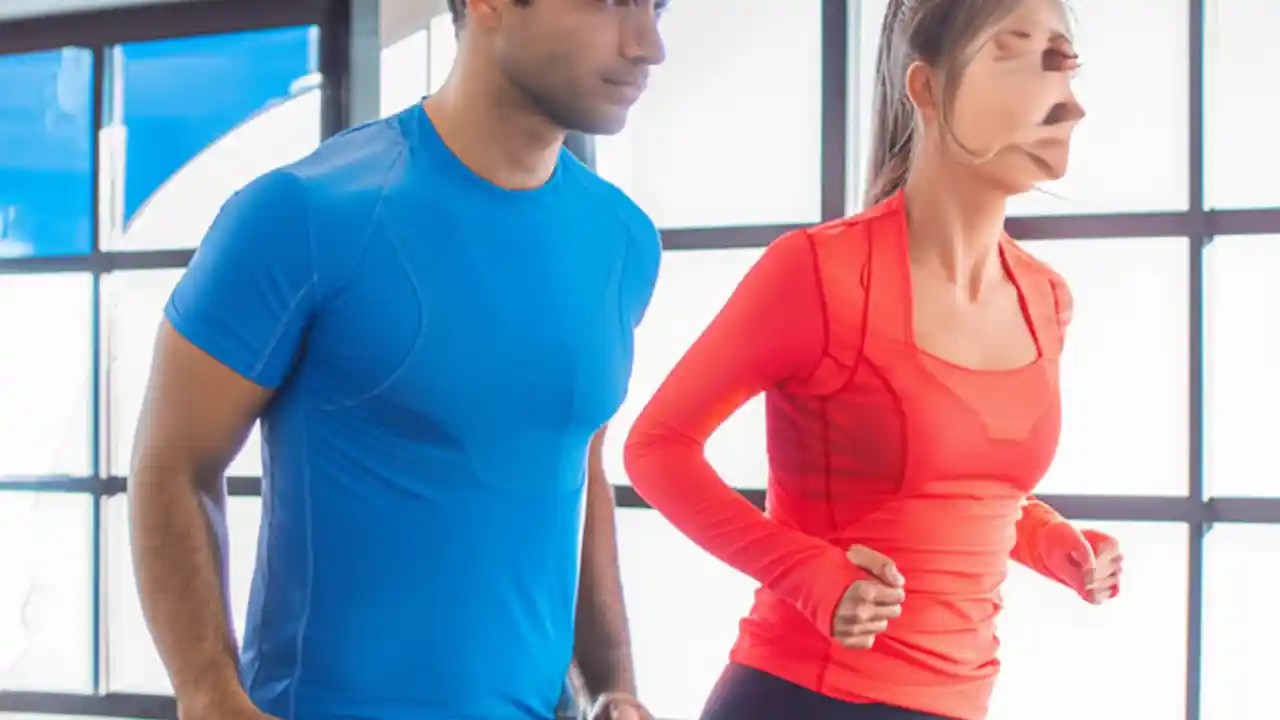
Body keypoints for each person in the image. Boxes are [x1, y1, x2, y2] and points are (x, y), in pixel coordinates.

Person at [128, 1, 667, 719]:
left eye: (658, 7)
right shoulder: (301, 213)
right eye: (611, 3)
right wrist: (208, 693)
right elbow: (173, 465)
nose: (649, 45)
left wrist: (612, 684)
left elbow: (576, 466)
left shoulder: (623, 239)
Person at [623, 0, 1123, 718]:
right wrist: (803, 571)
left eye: (1062, 62)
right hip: (805, 695)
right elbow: (657, 448)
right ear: (924, 88)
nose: (1066, 105)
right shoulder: (819, 272)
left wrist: (1051, 542)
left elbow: (961, 493)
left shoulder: (1046, 298)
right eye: (1014, 55)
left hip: (960, 700)